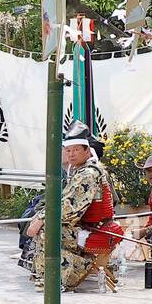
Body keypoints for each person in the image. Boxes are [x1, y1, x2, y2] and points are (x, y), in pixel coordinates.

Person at [24, 123, 123, 290]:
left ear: (87, 151)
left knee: (47, 231)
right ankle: (44, 273)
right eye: (68, 150)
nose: (71, 154)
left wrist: (42, 218)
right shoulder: (81, 170)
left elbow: (70, 207)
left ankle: (57, 278)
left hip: (95, 230)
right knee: (39, 222)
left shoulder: (88, 174)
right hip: (88, 226)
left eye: (76, 150)